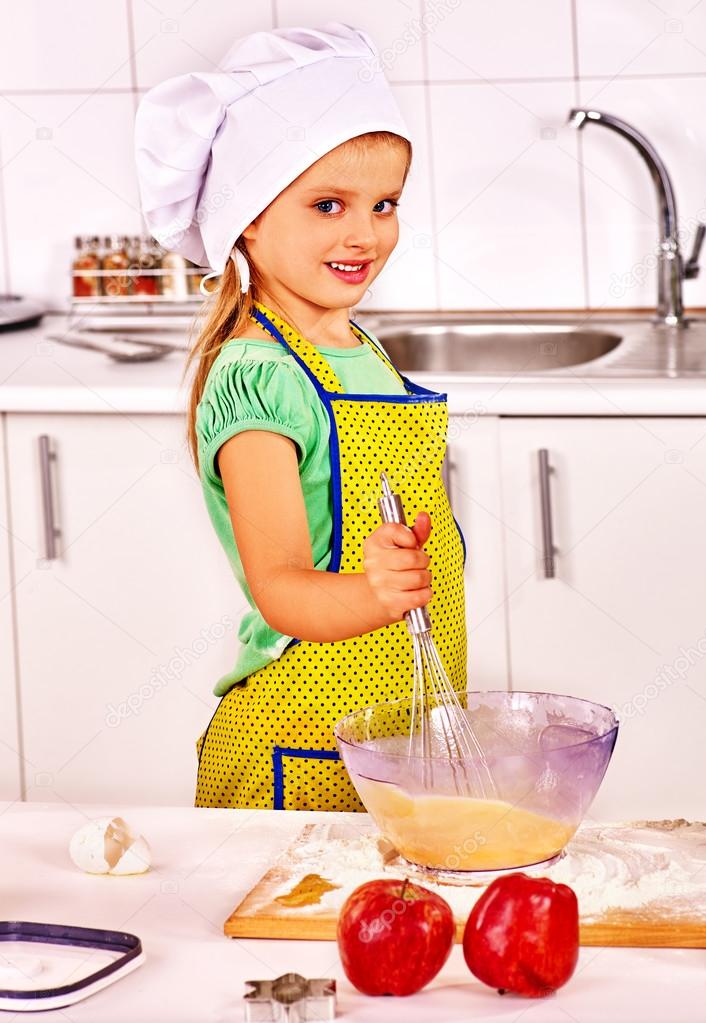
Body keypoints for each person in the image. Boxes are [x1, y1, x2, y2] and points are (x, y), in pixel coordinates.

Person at [134, 21, 466, 811]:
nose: (365, 233)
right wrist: (374, 591)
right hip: (302, 746)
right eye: (328, 204)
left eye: (384, 203)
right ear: (250, 214)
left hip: (400, 728)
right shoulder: (260, 377)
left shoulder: (361, 346)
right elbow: (281, 586)